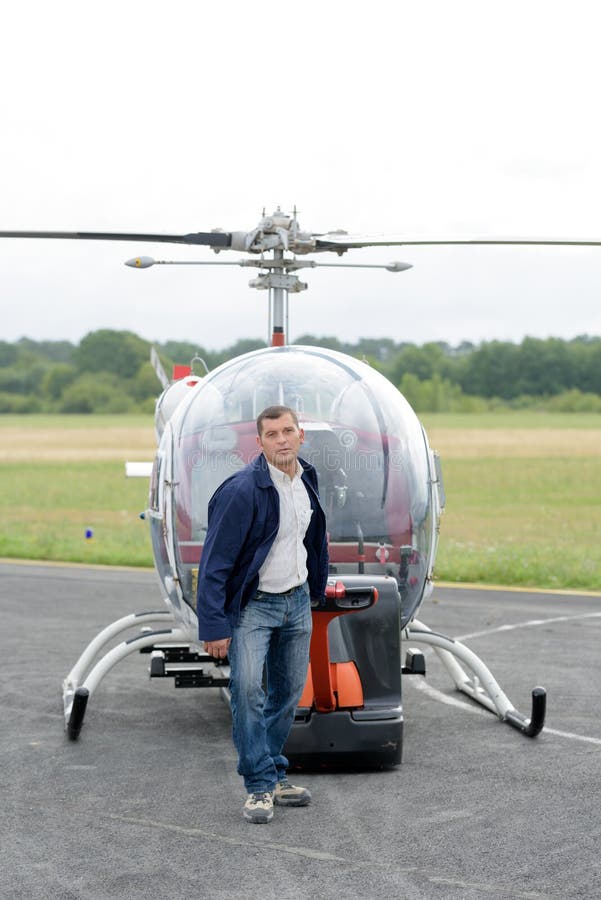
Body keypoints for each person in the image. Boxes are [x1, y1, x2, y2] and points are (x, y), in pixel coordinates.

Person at [196, 405, 328, 823]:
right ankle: (257, 785)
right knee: (248, 691)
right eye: (272, 434)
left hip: (297, 600)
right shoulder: (240, 491)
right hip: (254, 607)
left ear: (301, 434)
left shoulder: (308, 479)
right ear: (260, 443)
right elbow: (214, 564)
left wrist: (315, 592)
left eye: (288, 431)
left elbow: (313, 541)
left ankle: (272, 773)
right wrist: (215, 626)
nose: (282, 439)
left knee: (287, 694)